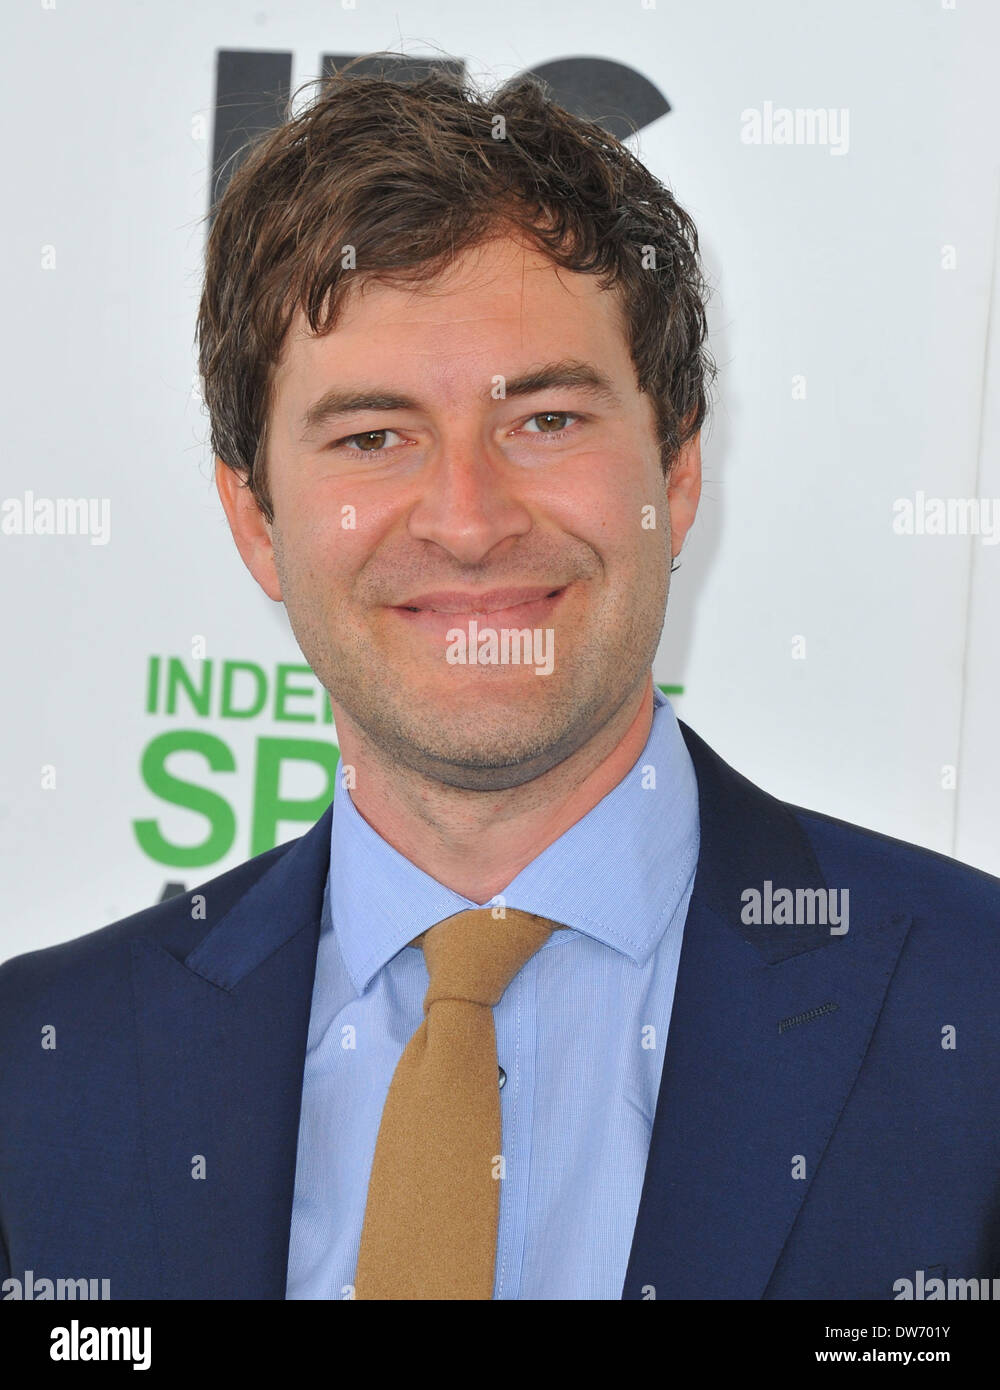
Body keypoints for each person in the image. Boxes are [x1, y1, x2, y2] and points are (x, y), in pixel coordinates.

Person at [2, 62, 999, 1303]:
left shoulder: (975, 1010)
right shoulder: (38, 1075)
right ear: (255, 519)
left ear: (676, 474)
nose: (467, 522)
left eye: (546, 421)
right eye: (374, 436)